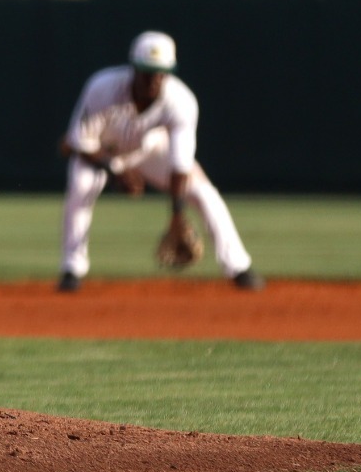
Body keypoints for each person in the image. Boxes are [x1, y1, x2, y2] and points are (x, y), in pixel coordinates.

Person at [56, 31, 259, 293]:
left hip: (149, 149)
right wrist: (115, 169)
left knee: (204, 193)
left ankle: (238, 267)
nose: (153, 78)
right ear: (133, 69)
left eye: (161, 72)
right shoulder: (102, 87)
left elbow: (180, 165)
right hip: (101, 153)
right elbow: (75, 144)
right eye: (146, 71)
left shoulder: (181, 101)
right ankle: (72, 268)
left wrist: (177, 214)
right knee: (81, 187)